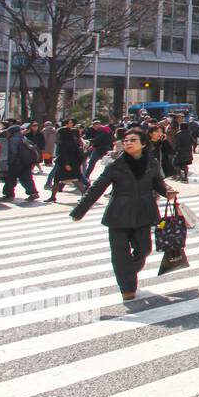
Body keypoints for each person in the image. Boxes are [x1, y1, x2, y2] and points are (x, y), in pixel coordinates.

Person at [69, 127, 177, 301]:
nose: (128, 143)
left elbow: (157, 183)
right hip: (118, 214)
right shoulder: (115, 165)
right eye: (126, 140)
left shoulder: (151, 162)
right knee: (120, 254)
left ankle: (126, 273)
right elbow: (97, 188)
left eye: (133, 140)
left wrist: (168, 191)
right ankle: (127, 288)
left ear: (143, 143)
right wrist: (80, 210)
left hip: (143, 212)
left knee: (144, 249)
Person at [48, 119, 89, 203]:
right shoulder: (73, 142)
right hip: (72, 164)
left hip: (66, 164)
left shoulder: (64, 143)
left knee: (73, 180)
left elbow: (65, 154)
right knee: (64, 179)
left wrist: (66, 164)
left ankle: (85, 196)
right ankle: (53, 196)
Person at [0, 123, 39, 201]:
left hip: (17, 162)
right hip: (26, 161)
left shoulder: (14, 139)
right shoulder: (23, 137)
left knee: (11, 178)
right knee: (26, 178)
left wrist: (10, 162)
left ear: (12, 132)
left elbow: (13, 152)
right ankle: (33, 193)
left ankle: (8, 194)